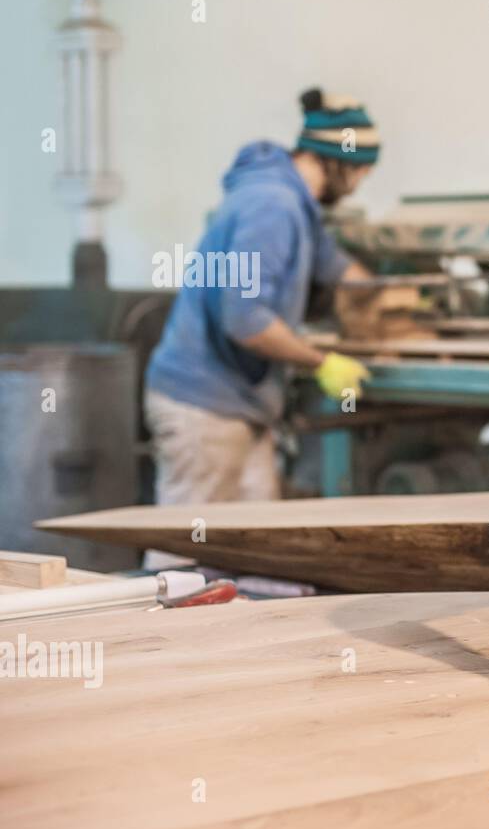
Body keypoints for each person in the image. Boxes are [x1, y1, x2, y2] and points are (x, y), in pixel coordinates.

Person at [144, 88, 378, 511]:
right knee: (183, 557)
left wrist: (392, 299)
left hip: (243, 407)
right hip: (204, 407)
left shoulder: (294, 204)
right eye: (362, 170)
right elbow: (245, 318)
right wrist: (321, 362)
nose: (361, 184)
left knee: (252, 548)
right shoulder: (272, 205)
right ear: (336, 159)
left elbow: (334, 265)